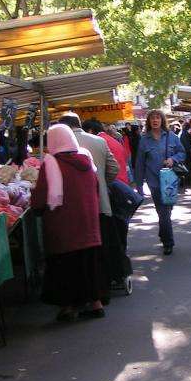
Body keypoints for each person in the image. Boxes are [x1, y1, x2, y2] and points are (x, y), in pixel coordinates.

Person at [31, 124, 105, 321]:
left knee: (65, 267)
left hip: (63, 226)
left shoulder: (52, 163)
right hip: (89, 224)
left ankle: (69, 307)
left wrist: (37, 206)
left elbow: (41, 195)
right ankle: (95, 303)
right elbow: (96, 187)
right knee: (88, 264)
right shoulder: (86, 158)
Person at [58, 113, 122, 295]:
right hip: (100, 203)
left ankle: (84, 293)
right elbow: (114, 169)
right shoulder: (99, 142)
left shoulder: (58, 146)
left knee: (79, 253)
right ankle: (103, 287)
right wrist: (102, 184)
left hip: (71, 209)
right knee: (100, 248)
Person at [135, 109, 186, 255]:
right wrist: (139, 185)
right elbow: (139, 163)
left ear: (162, 120)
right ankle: (168, 242)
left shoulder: (172, 137)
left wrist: (173, 159)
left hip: (170, 181)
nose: (155, 120)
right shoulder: (144, 140)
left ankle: (163, 233)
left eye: (158, 118)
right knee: (163, 212)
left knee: (167, 212)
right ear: (149, 121)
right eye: (152, 118)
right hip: (154, 182)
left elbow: (182, 153)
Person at [82, 119, 130, 185]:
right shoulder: (111, 139)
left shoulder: (97, 141)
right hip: (123, 180)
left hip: (113, 184)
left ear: (90, 131)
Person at [179, 120, 191, 187]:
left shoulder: (184, 134)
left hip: (186, 154)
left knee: (187, 167)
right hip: (187, 154)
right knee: (188, 167)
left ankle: (187, 181)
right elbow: (187, 145)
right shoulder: (185, 134)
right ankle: (188, 181)